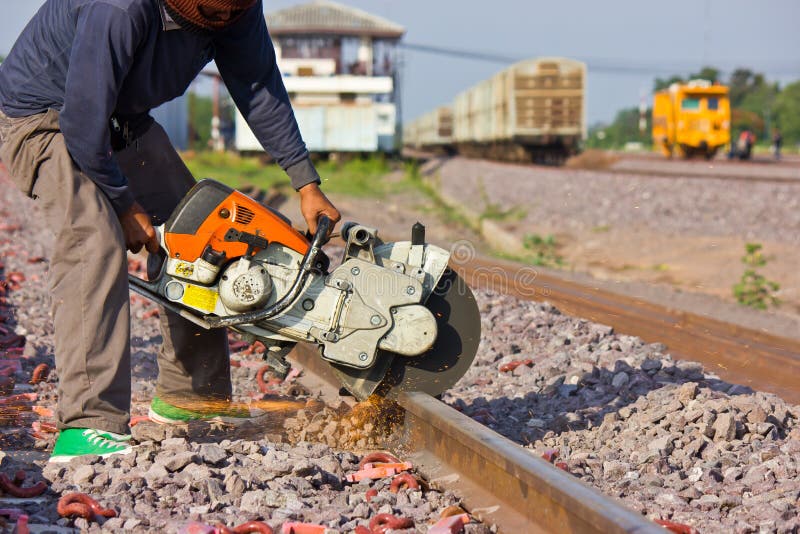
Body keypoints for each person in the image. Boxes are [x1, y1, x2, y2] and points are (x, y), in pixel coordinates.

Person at [0, 0, 341, 462]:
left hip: (122, 120)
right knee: (94, 240)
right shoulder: (120, 8)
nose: (223, 23)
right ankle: (87, 425)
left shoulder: (235, 7)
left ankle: (191, 399)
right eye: (213, 16)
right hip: (45, 119)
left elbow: (258, 85)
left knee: (200, 232)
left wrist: (305, 181)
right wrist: (124, 206)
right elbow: (82, 123)